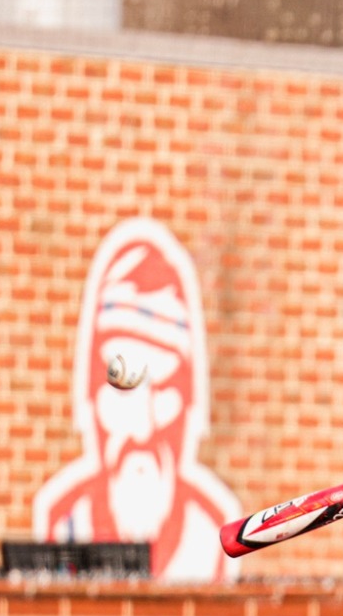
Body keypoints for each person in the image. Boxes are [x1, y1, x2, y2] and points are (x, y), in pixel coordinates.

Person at [32, 218, 241, 581]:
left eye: (165, 390)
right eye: (122, 387)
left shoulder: (213, 536)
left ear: (192, 404)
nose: (143, 426)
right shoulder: (63, 521)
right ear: (91, 399)